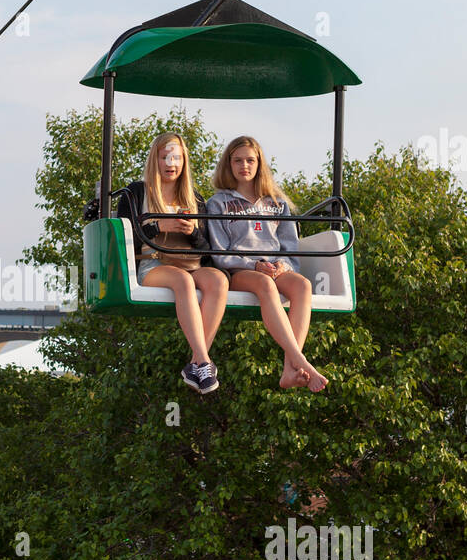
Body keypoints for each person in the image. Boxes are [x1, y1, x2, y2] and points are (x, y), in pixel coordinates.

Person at [205, 135, 327, 392]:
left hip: (274, 267)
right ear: (229, 164)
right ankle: (300, 360)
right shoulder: (218, 203)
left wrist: (284, 265)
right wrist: (253, 265)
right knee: (265, 284)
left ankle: (288, 368)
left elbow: (289, 245)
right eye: (237, 161)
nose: (244, 166)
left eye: (250, 160)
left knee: (302, 286)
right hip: (240, 270)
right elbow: (219, 252)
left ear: (259, 164)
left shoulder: (277, 203)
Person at [111, 132, 229, 394]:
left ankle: (197, 363)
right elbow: (124, 235)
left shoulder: (194, 198)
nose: (170, 164)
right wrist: (157, 226)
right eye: (165, 157)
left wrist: (192, 232)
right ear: (156, 160)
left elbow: (206, 249)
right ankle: (203, 359)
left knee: (218, 280)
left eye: (176, 157)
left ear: (184, 161)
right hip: (153, 264)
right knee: (183, 281)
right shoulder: (137, 192)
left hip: (190, 263)